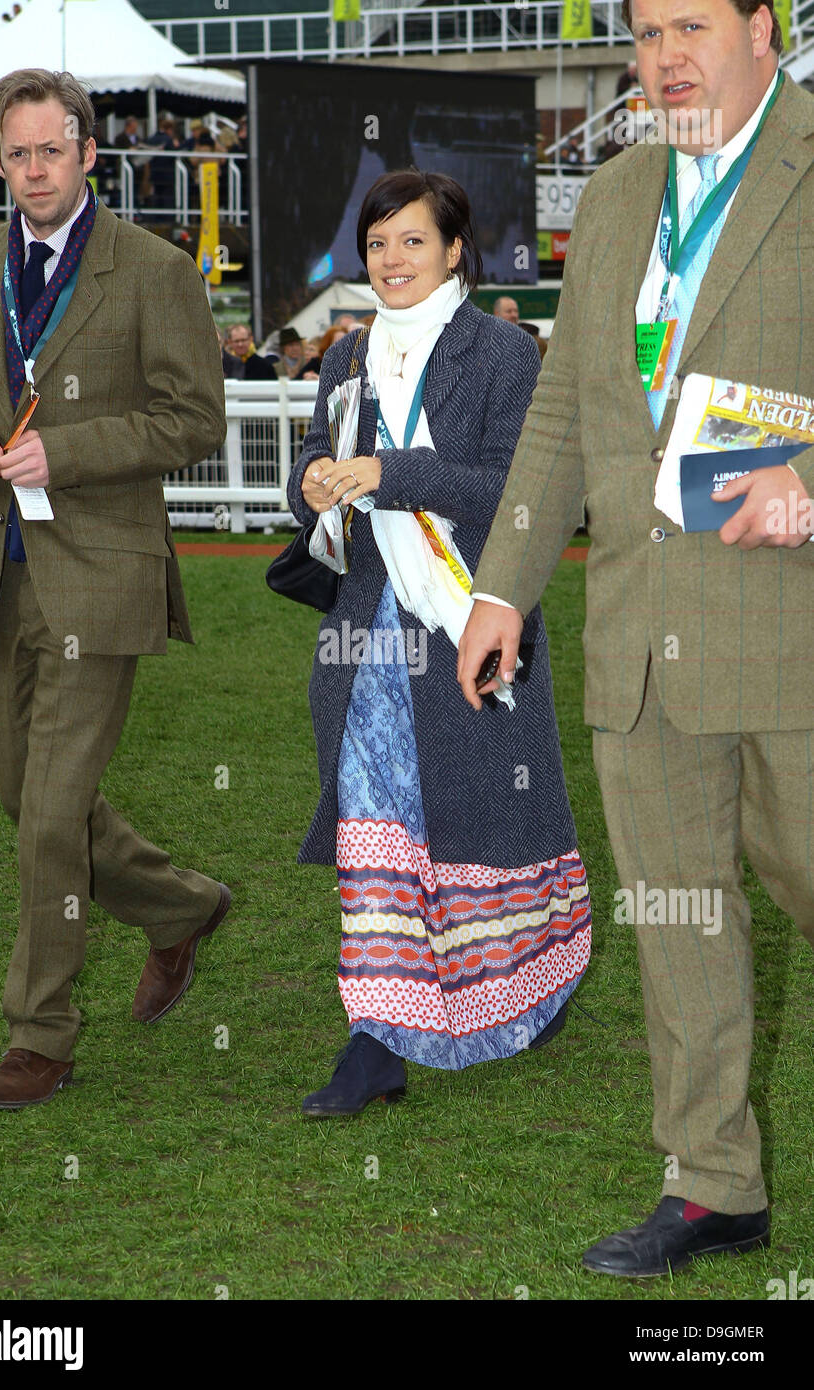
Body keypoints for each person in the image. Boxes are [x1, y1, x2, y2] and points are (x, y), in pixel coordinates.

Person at [459, 0, 814, 1278]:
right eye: (646, 31)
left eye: (693, 26)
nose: (665, 56)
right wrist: (503, 587)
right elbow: (563, 410)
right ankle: (713, 1182)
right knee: (680, 920)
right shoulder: (614, 196)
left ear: (764, 28)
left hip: (794, 636)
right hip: (640, 636)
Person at [0, 67, 230, 1111]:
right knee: (27, 801)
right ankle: (180, 904)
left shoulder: (153, 269)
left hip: (104, 575)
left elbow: (194, 421)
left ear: (89, 152)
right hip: (5, 576)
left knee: (52, 815)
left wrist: (66, 451)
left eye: (50, 150)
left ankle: (41, 1031)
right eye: (14, 155)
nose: (32, 171)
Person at [287, 169, 592, 1117]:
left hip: (472, 617)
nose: (392, 260)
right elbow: (317, 451)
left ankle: (522, 994)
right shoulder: (345, 357)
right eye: (378, 244)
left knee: (479, 830)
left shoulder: (503, 354)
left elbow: (524, 490)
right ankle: (375, 1040)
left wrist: (394, 472)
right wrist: (313, 482)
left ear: (455, 249)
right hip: (369, 626)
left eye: (412, 241)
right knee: (374, 831)